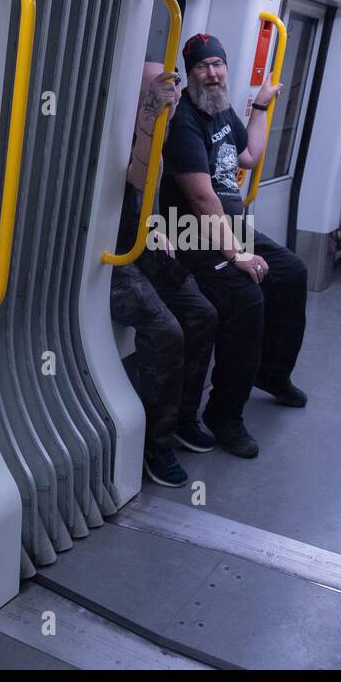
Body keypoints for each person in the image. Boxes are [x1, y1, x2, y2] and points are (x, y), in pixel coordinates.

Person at [159, 33, 308, 459]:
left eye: (218, 65)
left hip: (230, 227)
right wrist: (237, 255)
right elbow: (202, 198)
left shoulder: (221, 109)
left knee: (291, 272)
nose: (212, 73)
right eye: (203, 66)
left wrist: (260, 105)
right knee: (247, 299)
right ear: (190, 73)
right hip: (192, 233)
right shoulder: (184, 121)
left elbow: (249, 156)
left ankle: (272, 373)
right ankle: (224, 415)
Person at [110, 64, 218, 487]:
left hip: (144, 242)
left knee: (203, 313)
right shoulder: (125, 135)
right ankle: (154, 444)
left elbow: (147, 195)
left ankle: (183, 420)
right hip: (113, 255)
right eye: (157, 95)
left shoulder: (162, 132)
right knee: (167, 330)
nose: (168, 107)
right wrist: (150, 117)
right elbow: (137, 174)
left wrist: (156, 226)